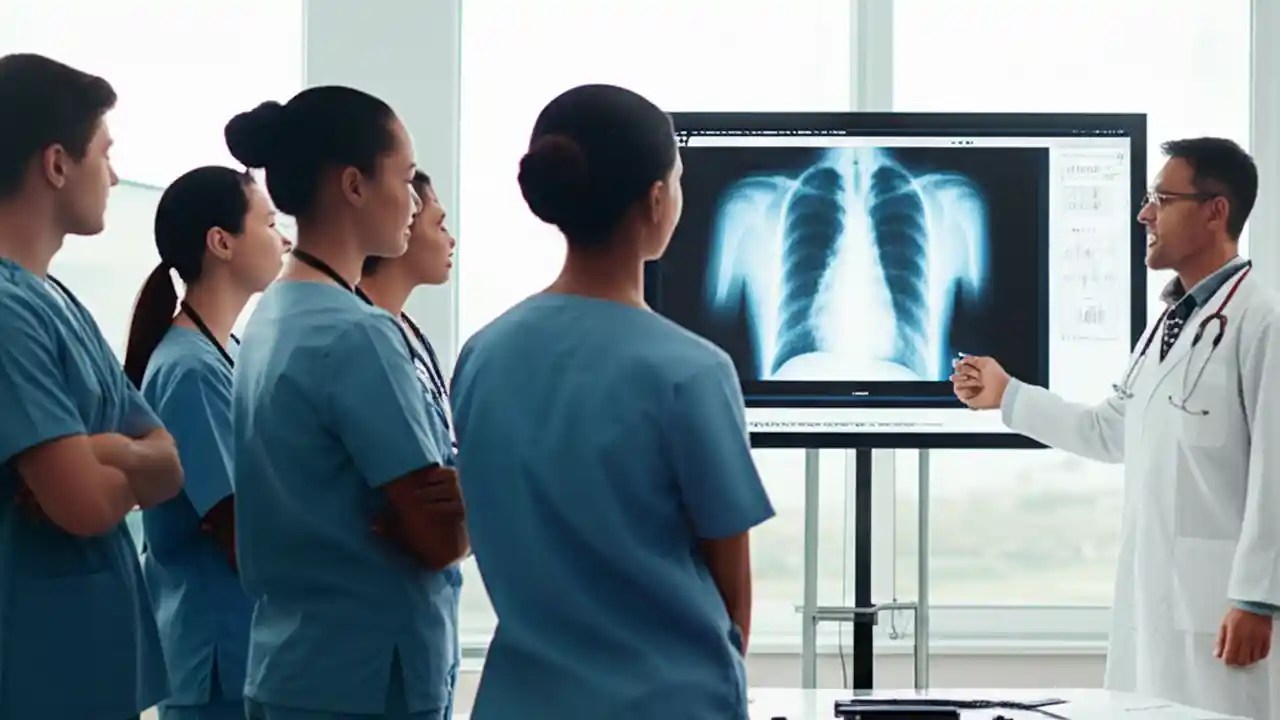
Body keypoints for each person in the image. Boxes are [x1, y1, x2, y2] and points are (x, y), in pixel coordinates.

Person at [450, 83, 776, 719]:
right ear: (657, 200)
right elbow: (731, 590)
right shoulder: (691, 371)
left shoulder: (483, 355)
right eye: (678, 180)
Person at [952, 137, 1280, 719]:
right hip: (1155, 603)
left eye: (1161, 198)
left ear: (1215, 211)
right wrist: (1009, 397)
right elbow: (1109, 432)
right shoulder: (1170, 326)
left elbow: (1275, 470)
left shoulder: (1262, 322)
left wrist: (1258, 598)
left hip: (1224, 609)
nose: (1143, 214)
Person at [225, 86, 468, 720]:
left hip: (296, 667)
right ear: (354, 185)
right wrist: (476, 498)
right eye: (407, 177)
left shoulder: (273, 314)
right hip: (363, 678)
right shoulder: (356, 332)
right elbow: (440, 535)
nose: (417, 202)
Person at [0, 53, 183, 719]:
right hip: (33, 673)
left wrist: (107, 449)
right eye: (104, 154)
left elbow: (169, 463)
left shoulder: (57, 301)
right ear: (55, 164)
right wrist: (125, 458)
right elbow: (81, 503)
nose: (113, 174)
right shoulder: (7, 312)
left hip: (88, 669)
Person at [123, 166, 290, 720]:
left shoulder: (230, 352)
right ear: (221, 243)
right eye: (268, 223)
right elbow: (239, 530)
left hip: (247, 653)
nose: (284, 238)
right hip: (220, 661)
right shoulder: (189, 371)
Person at [355, 169, 461, 717]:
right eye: (441, 224)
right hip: (366, 653)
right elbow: (431, 516)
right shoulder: (359, 336)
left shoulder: (407, 336)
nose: (451, 240)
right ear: (406, 224)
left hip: (420, 630)